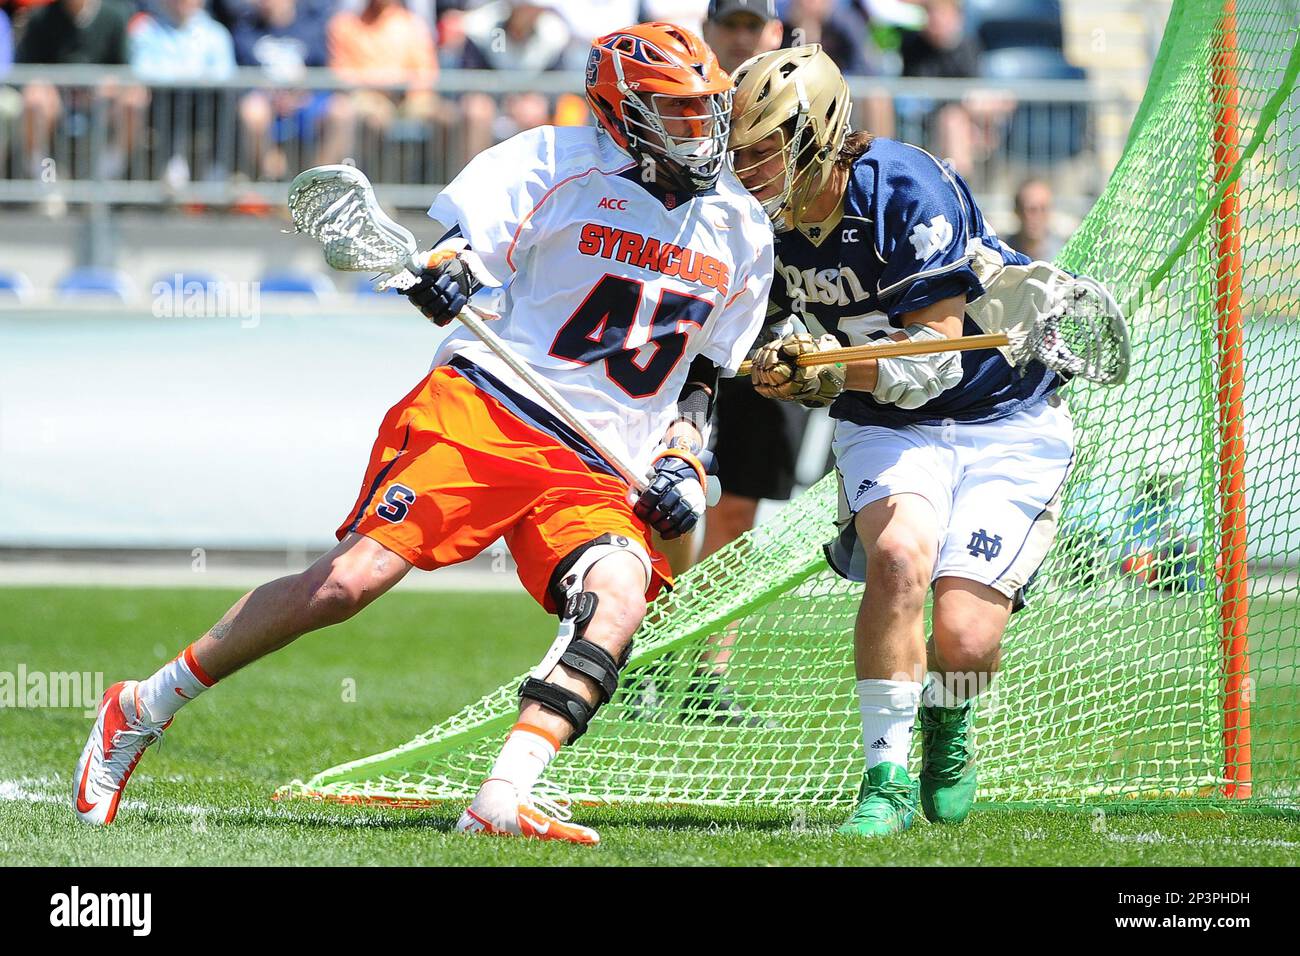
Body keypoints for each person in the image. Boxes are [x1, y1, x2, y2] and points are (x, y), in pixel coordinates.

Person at [73, 21, 773, 845]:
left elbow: (701, 373)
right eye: (676, 113)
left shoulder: (743, 228)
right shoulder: (552, 162)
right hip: (490, 408)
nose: (701, 131)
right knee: (344, 586)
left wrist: (686, 453)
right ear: (619, 113)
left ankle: (502, 798)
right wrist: (453, 274)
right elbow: (466, 252)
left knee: (618, 596)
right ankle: (141, 706)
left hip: (598, 459)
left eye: (706, 111)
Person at [730, 46, 1086, 836]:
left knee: (964, 639)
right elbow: (757, 324)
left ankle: (947, 722)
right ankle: (884, 777)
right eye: (740, 149)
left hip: (1005, 416)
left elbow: (934, 364)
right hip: (889, 426)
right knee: (896, 559)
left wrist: (819, 376)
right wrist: (769, 362)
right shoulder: (753, 220)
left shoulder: (903, 189)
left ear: (816, 136)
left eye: (764, 148)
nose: (747, 167)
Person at [1004, 176, 1067, 262]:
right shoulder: (1002, 254)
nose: (1037, 216)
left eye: (1043, 209)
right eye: (1031, 210)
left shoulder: (1063, 256)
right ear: (1017, 211)